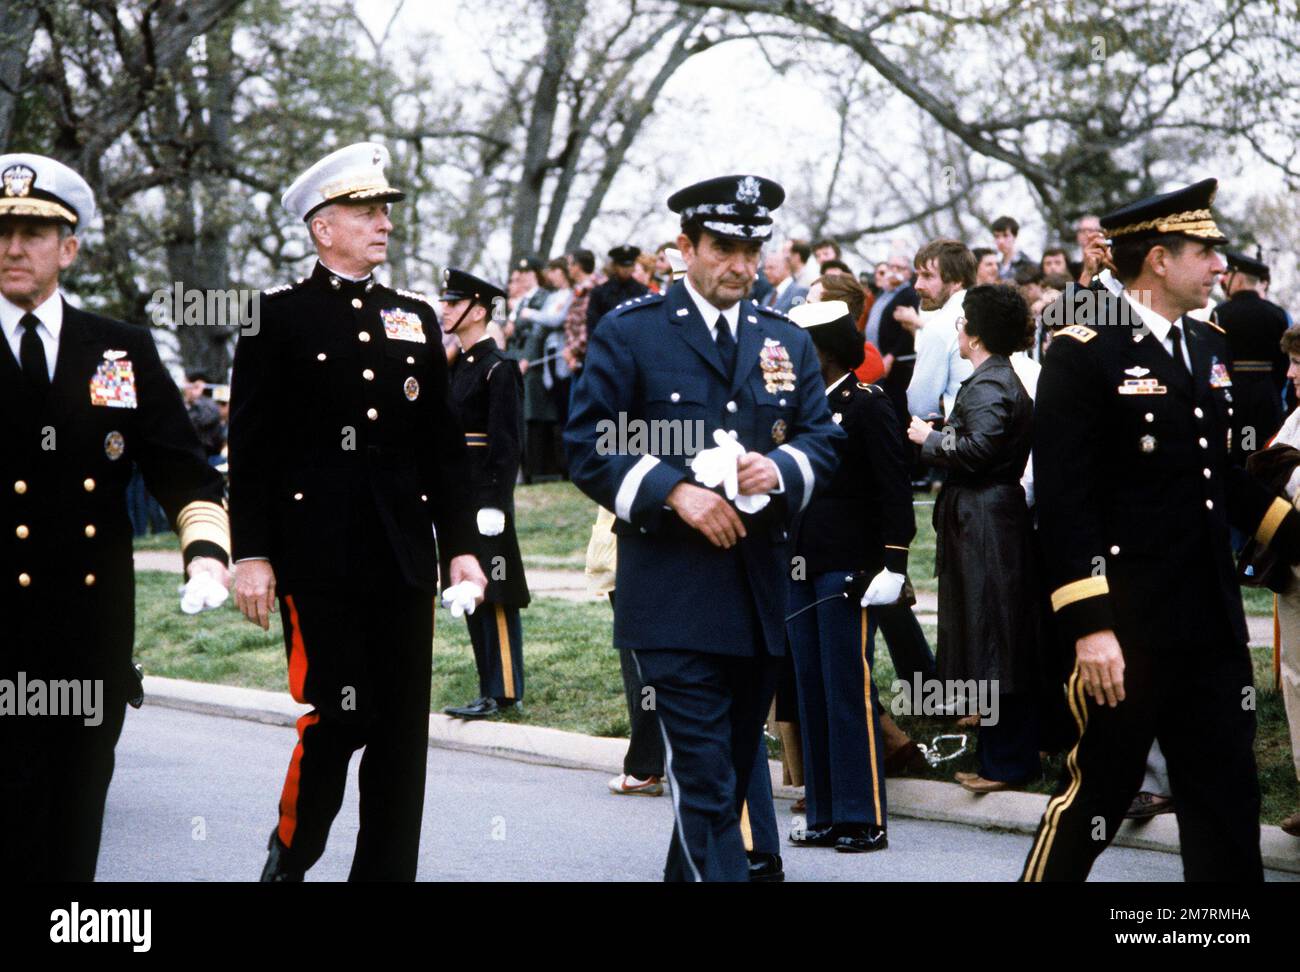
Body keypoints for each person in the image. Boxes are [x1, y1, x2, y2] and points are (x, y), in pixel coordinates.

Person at [565, 173, 842, 882]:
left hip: (758, 603)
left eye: (753, 250)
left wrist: (778, 468)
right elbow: (589, 443)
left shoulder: (785, 339)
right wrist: (673, 492)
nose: (741, 266)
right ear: (684, 247)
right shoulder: (634, 331)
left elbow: (821, 439)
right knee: (709, 785)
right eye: (723, 247)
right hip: (672, 599)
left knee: (723, 774)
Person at [1021, 179, 1300, 882]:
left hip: (1208, 617)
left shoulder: (1207, 342)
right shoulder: (1083, 350)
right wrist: (1090, 627)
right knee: (1100, 796)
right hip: (1127, 627)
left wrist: (1292, 533)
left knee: (1227, 798)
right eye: (1204, 251)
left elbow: (1221, 476)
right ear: (1157, 260)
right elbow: (1063, 501)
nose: (1218, 266)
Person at [229, 143, 486, 882]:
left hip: (402, 555)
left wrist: (461, 544)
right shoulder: (274, 318)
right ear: (323, 227)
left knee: (402, 740)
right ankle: (292, 854)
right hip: (318, 559)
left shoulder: (412, 318)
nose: (383, 224)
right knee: (342, 716)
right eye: (366, 212)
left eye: (385, 212)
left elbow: (443, 448)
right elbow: (251, 450)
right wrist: (252, 554)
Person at [0, 152, 230, 880]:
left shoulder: (119, 349)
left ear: (68, 247)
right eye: (2, 231)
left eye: (34, 232)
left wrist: (206, 553)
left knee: (73, 821)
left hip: (88, 629)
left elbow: (180, 466)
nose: (13, 247)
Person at [784, 299, 915, 850]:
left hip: (847, 566)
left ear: (826, 352)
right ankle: (824, 811)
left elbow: (893, 486)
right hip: (798, 562)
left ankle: (862, 816)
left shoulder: (866, 405)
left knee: (846, 688)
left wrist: (894, 562)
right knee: (810, 688)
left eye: (802, 351)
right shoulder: (797, 410)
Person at [907, 284, 1044, 792]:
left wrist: (930, 438)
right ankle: (1002, 756)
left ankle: (1006, 762)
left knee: (992, 634)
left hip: (985, 518)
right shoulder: (996, 378)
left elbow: (979, 450)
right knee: (997, 631)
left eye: (964, 322)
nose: (958, 330)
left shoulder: (989, 383)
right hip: (989, 514)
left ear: (977, 334)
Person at [438, 269, 531, 720]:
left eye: (453, 304)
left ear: (478, 310)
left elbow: (507, 442)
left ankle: (504, 688)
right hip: (460, 493)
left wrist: (495, 501)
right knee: (469, 589)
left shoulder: (499, 368)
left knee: (494, 591)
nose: (444, 310)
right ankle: (487, 686)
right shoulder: (460, 366)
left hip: (485, 497)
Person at [1243, 323, 1300, 837]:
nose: (1291, 373)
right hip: (1296, 567)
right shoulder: (1296, 418)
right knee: (1296, 679)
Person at [1214, 250, 1290, 464]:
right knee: (1264, 453)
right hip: (1266, 395)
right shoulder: (1277, 313)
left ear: (1237, 278)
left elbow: (1215, 361)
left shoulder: (1221, 313)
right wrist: (1271, 390)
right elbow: (1283, 362)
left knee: (1237, 454)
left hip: (1233, 393)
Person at [905, 239, 976, 421]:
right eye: (918, 275)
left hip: (957, 436)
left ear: (957, 281)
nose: (917, 285)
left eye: (928, 276)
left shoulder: (940, 326)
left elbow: (920, 405)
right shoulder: (984, 311)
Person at [519, 258, 572, 482]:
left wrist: (529, 315)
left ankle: (560, 468)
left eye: (526, 273)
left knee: (556, 413)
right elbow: (512, 327)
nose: (521, 278)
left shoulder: (544, 297)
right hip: (533, 355)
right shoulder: (529, 299)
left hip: (550, 356)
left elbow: (552, 320)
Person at [585, 245, 648, 336]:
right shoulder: (599, 292)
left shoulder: (643, 292)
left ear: (634, 266)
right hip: (606, 341)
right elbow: (592, 324)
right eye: (622, 265)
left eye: (629, 265)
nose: (626, 270)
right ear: (614, 266)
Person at [991, 215, 1035, 281]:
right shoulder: (995, 266)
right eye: (997, 236)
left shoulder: (1027, 264)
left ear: (1015, 236)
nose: (1001, 241)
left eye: (1005, 235)